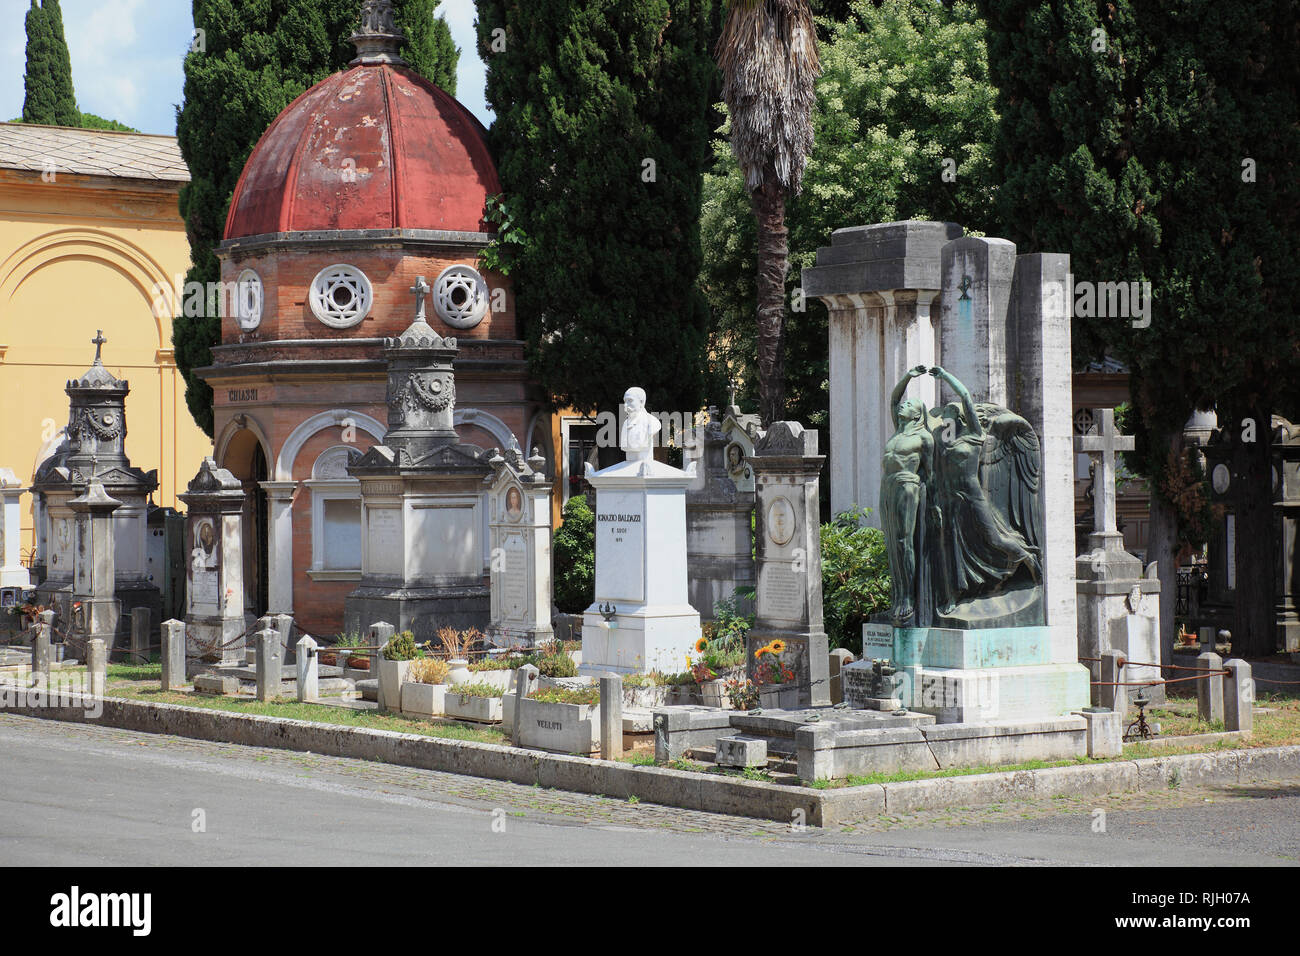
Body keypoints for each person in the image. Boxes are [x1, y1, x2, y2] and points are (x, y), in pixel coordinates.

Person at [927, 366, 1040, 613]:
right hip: (950, 502)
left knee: (994, 538)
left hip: (972, 498)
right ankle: (953, 597)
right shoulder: (943, 445)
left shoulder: (974, 436)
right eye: (943, 417)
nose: (945, 421)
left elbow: (966, 397)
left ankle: (1027, 558)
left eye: (949, 415)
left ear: (960, 419)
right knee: (950, 550)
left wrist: (946, 377)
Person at [881, 365, 935, 625]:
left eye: (910, 404)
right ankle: (897, 594)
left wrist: (933, 506)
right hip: (888, 486)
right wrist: (908, 377)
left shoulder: (924, 437)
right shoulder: (897, 431)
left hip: (907, 486)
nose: (903, 406)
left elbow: (931, 474)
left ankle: (908, 597)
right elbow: (893, 398)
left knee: (904, 541)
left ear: (918, 414)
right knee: (892, 544)